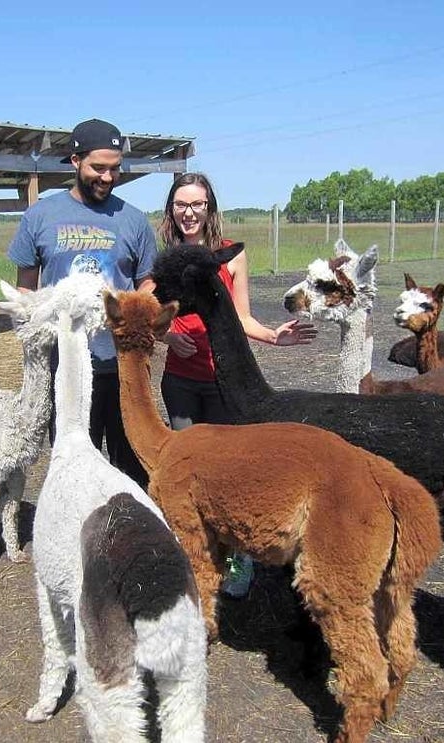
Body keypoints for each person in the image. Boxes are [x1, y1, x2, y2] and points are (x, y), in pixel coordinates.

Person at [157, 172, 318, 596]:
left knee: (230, 473)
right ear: (171, 209)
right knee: (190, 472)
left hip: (224, 382)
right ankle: (195, 559)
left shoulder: (230, 258)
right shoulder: (166, 259)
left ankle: (237, 559)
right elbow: (149, 315)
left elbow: (242, 317)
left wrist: (272, 336)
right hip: (181, 382)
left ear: (209, 208)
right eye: (181, 204)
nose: (189, 212)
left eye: (197, 204)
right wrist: (168, 334)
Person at [7, 118, 155, 488]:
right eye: (98, 168)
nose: (107, 177)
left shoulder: (134, 220)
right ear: (75, 161)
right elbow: (27, 291)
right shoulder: (40, 216)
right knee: (72, 469)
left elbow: (147, 285)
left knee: (131, 469)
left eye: (115, 169)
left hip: (122, 369)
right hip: (67, 369)